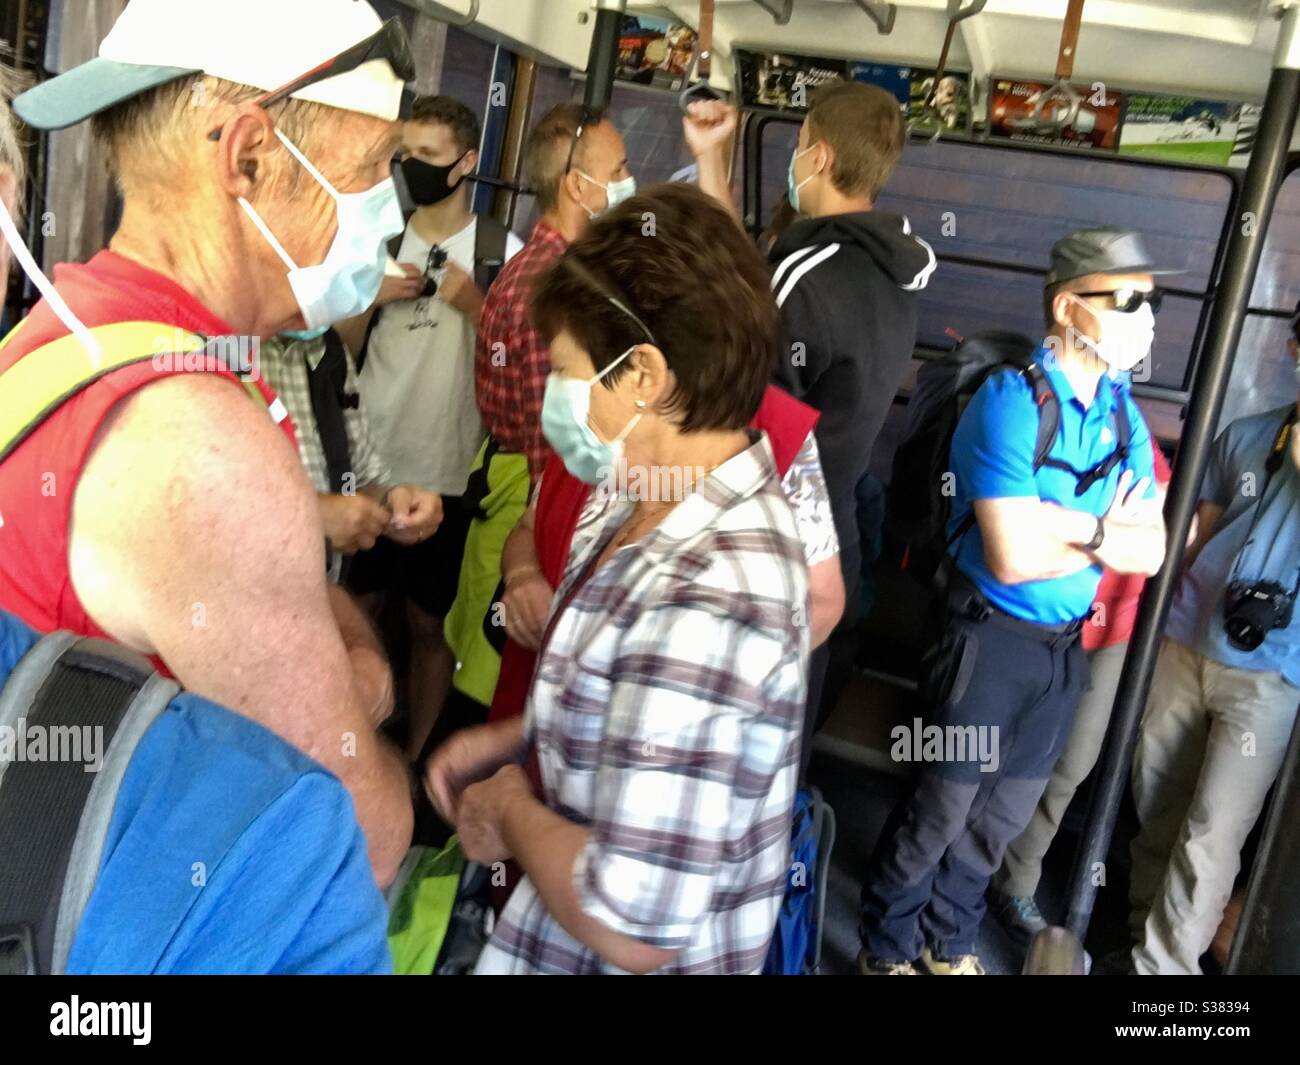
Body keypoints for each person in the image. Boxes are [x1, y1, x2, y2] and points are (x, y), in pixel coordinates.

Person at [0, 0, 414, 884]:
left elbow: (274, 574)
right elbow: (360, 840)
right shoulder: (194, 434)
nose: (392, 208)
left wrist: (329, 644)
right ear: (251, 155)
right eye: (376, 165)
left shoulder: (65, 333)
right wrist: (366, 680)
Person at [425, 184, 809, 974]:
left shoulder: (715, 590)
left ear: (643, 374)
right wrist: (520, 735)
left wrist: (508, 808)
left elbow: (635, 917)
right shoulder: (637, 492)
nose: (551, 399)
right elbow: (634, 706)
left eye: (567, 370)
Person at [859, 227, 1169, 975]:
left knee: (1000, 818)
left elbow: (1150, 551)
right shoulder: (1009, 403)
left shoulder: (1123, 413)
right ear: (1068, 306)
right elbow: (1011, 554)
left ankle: (949, 941)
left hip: (1061, 652)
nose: (1145, 315)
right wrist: (1104, 530)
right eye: (1126, 299)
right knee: (941, 809)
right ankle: (886, 949)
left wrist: (1065, 524)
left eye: (1148, 300)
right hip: (983, 641)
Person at [440, 98, 739, 746]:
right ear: (579, 186)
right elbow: (561, 442)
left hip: (521, 496)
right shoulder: (555, 290)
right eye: (622, 167)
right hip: (535, 510)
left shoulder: (557, 272)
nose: (631, 182)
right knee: (497, 710)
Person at [345, 95, 523, 759]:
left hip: (450, 464)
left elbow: (519, 356)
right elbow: (339, 345)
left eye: (429, 156)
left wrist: (473, 301)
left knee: (431, 625)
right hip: (370, 463)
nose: (412, 169)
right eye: (405, 155)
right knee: (355, 610)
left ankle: (419, 762)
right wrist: (369, 299)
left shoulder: (502, 250)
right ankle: (353, 747)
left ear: (466, 162)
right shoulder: (375, 238)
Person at [770, 79, 937, 757]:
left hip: (775, 532)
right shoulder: (895, 276)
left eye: (799, 140)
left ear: (820, 154)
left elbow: (753, 423)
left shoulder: (801, 273)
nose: (794, 153)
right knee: (789, 739)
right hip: (835, 524)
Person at [1128, 320, 1300, 975]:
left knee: (1212, 829)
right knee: (1157, 801)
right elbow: (1195, 537)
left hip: (1272, 673)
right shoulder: (1248, 434)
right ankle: (1137, 932)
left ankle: (1161, 972)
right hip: (1187, 637)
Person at [989, 446, 1173, 946]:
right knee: (996, 751)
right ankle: (967, 867)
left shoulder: (1146, 455)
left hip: (1114, 627)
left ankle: (1015, 881)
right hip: (1045, 611)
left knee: (1071, 764)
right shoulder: (1051, 431)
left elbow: (1164, 549)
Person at [256, 329, 443, 581]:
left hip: (317, 597)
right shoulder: (198, 349)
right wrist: (307, 518)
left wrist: (389, 502)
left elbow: (357, 478)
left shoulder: (329, 351)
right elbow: (188, 512)